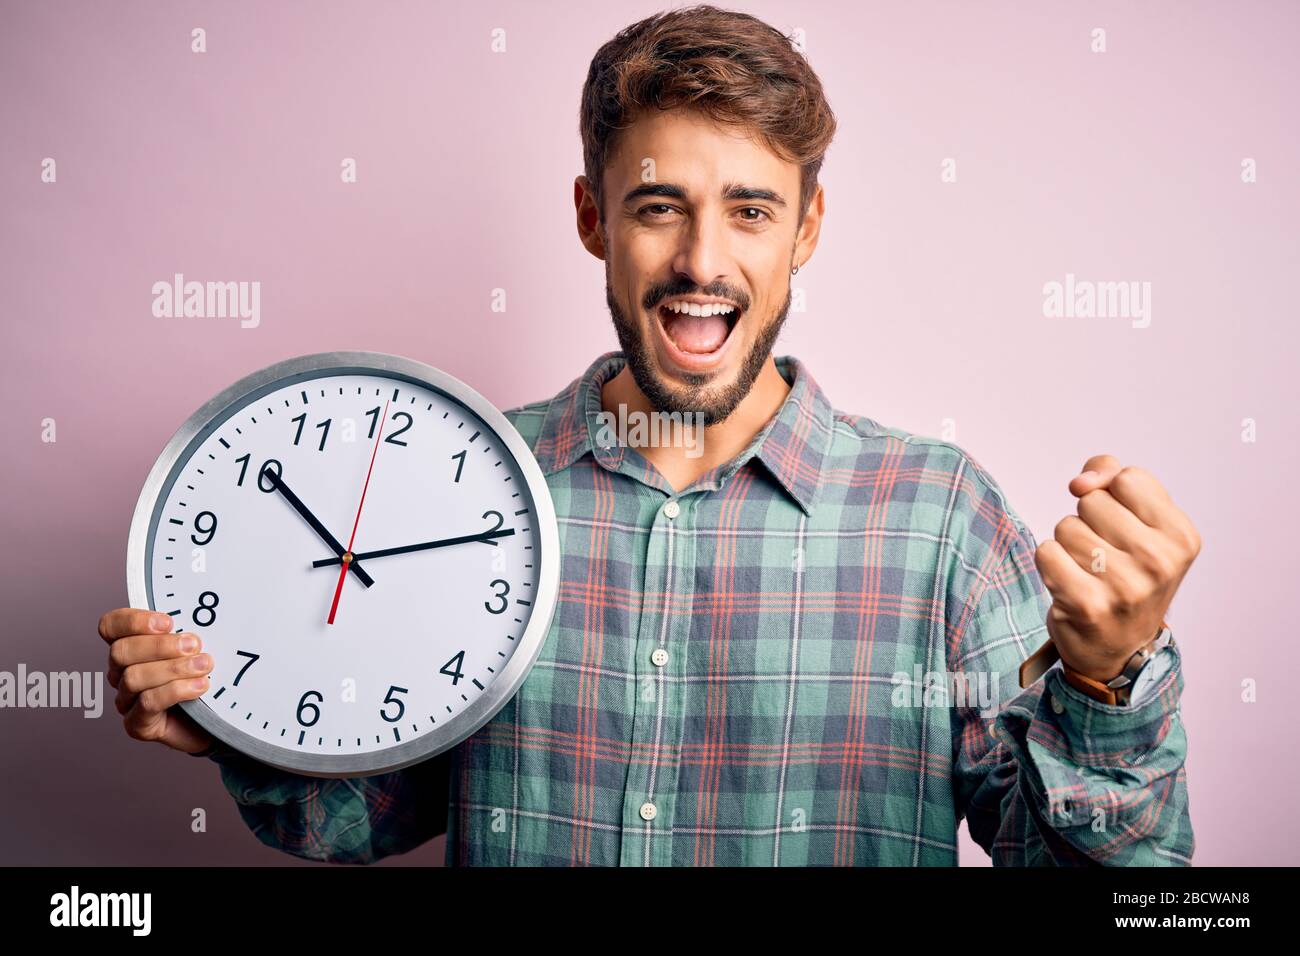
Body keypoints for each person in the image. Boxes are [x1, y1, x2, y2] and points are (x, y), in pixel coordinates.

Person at [96, 4, 1200, 866]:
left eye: (752, 209)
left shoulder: (941, 518)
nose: (702, 262)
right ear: (593, 218)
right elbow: (362, 821)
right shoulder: (461, 490)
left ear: (807, 227)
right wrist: (231, 717)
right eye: (658, 203)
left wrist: (1108, 684)